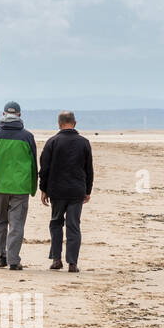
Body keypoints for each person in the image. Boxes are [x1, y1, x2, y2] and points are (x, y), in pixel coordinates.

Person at [0, 100, 38, 270]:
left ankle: (0, 258)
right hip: (20, 188)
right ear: (19, 115)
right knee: (16, 224)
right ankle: (13, 260)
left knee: (0, 223)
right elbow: (34, 164)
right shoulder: (27, 136)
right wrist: (33, 186)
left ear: (3, 114)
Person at [39, 110, 94, 272]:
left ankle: (57, 259)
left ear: (59, 124)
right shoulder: (84, 142)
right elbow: (89, 169)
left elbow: (44, 168)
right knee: (73, 226)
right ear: (74, 123)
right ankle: (72, 262)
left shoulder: (52, 142)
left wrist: (43, 189)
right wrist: (88, 189)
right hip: (77, 190)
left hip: (56, 190)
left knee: (56, 223)